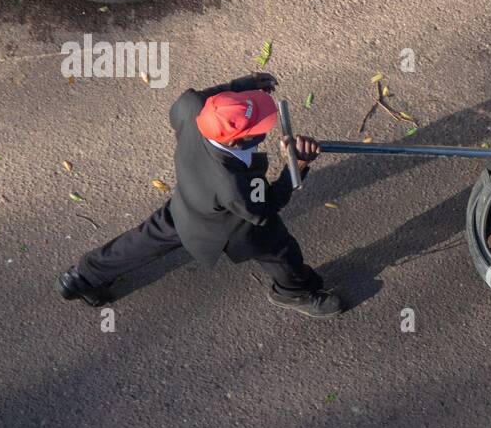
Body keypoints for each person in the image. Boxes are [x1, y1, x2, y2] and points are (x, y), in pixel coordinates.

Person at [58, 72, 344, 318]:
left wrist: (241, 86)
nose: (264, 127)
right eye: (257, 127)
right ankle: (293, 292)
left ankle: (84, 275)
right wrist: (298, 167)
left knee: (148, 237)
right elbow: (266, 207)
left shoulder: (193, 109)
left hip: (189, 201)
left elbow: (202, 99)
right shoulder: (232, 185)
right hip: (228, 223)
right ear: (234, 140)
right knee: (278, 249)